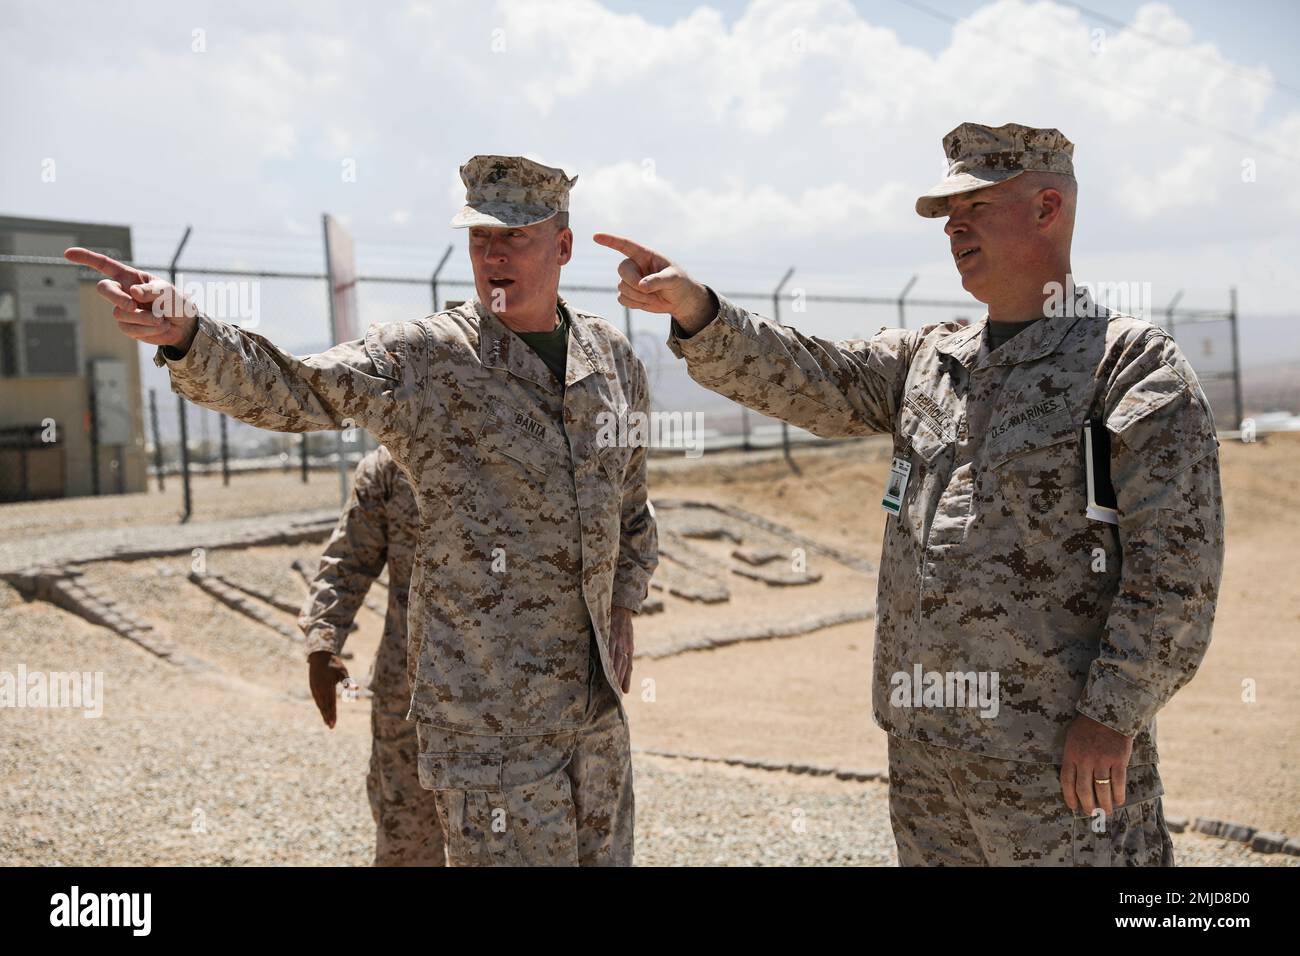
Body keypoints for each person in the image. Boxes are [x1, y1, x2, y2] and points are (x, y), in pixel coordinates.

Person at [595, 122, 1224, 866]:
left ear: (1048, 207)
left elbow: (1177, 572)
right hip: (928, 759)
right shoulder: (931, 362)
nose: (954, 225)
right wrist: (699, 311)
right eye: (947, 212)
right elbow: (813, 375)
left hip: (1056, 762)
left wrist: (1112, 715)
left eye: (977, 206)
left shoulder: (1130, 369)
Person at [67, 154, 658, 867]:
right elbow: (296, 388)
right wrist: (190, 337)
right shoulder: (426, 360)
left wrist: (623, 603)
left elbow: (630, 498)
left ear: (562, 245)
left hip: (593, 720)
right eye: (479, 239)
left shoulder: (611, 358)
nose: (494, 255)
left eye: (516, 237)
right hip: (487, 731)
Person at [300, 445, 444, 866]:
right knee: (408, 843)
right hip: (411, 701)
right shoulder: (391, 465)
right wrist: (322, 642)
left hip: (517, 707)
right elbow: (347, 560)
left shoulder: (527, 438)